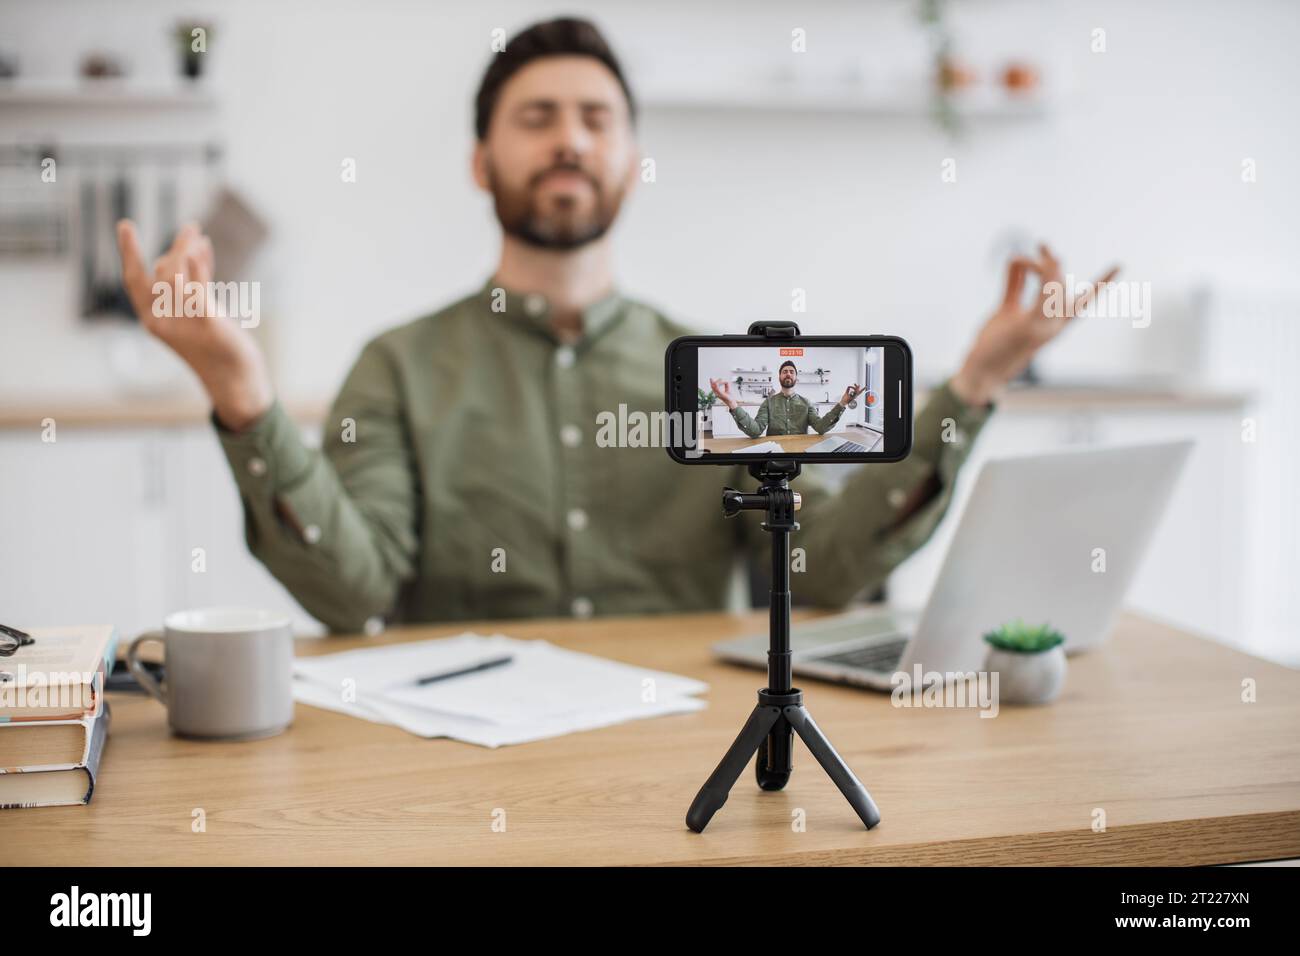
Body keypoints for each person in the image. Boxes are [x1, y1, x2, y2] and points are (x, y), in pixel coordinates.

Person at [113, 17, 1116, 632]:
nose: (569, 140)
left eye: (596, 119)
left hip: (685, 765)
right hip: (459, 764)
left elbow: (819, 570)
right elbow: (355, 593)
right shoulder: (398, 367)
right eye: (536, 116)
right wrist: (240, 396)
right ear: (481, 162)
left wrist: (973, 384)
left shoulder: (725, 374)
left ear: (631, 162)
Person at [712, 360, 864, 438]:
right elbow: (755, 431)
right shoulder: (769, 402)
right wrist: (732, 403)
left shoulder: (806, 403)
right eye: (784, 371)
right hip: (773, 454)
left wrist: (843, 403)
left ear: (796, 377)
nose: (788, 374)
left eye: (792, 372)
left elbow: (821, 427)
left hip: (799, 454)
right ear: (779, 376)